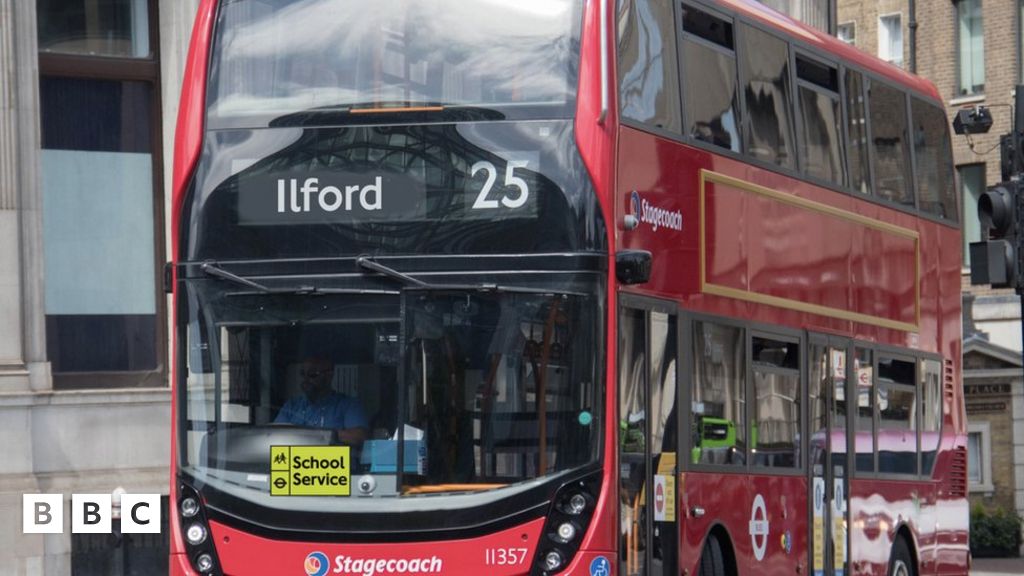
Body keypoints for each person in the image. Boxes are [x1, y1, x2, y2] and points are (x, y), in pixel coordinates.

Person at [274, 356, 369, 445]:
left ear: (329, 375)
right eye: (303, 374)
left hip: (332, 461)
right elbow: (273, 435)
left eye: (312, 374)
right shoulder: (292, 406)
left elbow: (359, 436)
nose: (305, 379)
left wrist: (321, 435)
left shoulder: (348, 405)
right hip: (293, 460)